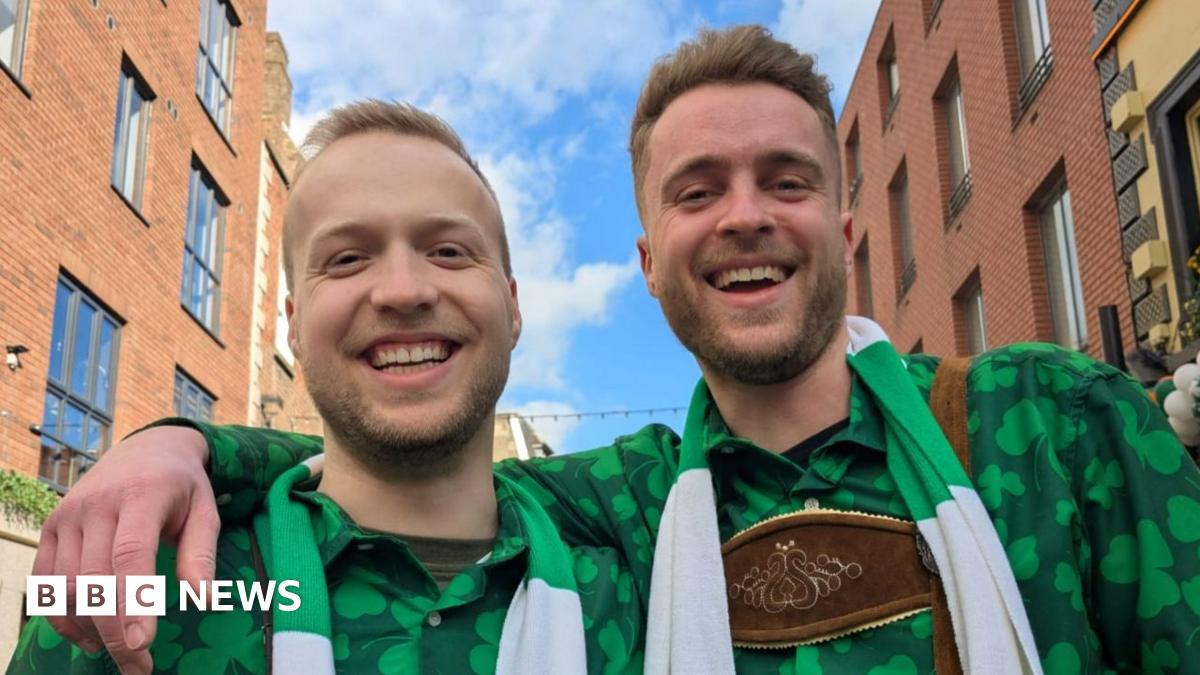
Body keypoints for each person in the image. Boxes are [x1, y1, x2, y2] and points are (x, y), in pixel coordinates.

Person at [25, 25, 1200, 674]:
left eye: (784, 181)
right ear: (648, 261)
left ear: (844, 233)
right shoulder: (618, 511)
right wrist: (171, 445)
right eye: (698, 190)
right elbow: (394, 459)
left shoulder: (1055, 424)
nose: (744, 215)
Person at [8, 101, 644, 675]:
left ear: (512, 307)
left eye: (449, 251)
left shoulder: (644, 587)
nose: (403, 290)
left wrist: (188, 442)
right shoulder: (129, 580)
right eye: (346, 258)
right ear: (293, 327)